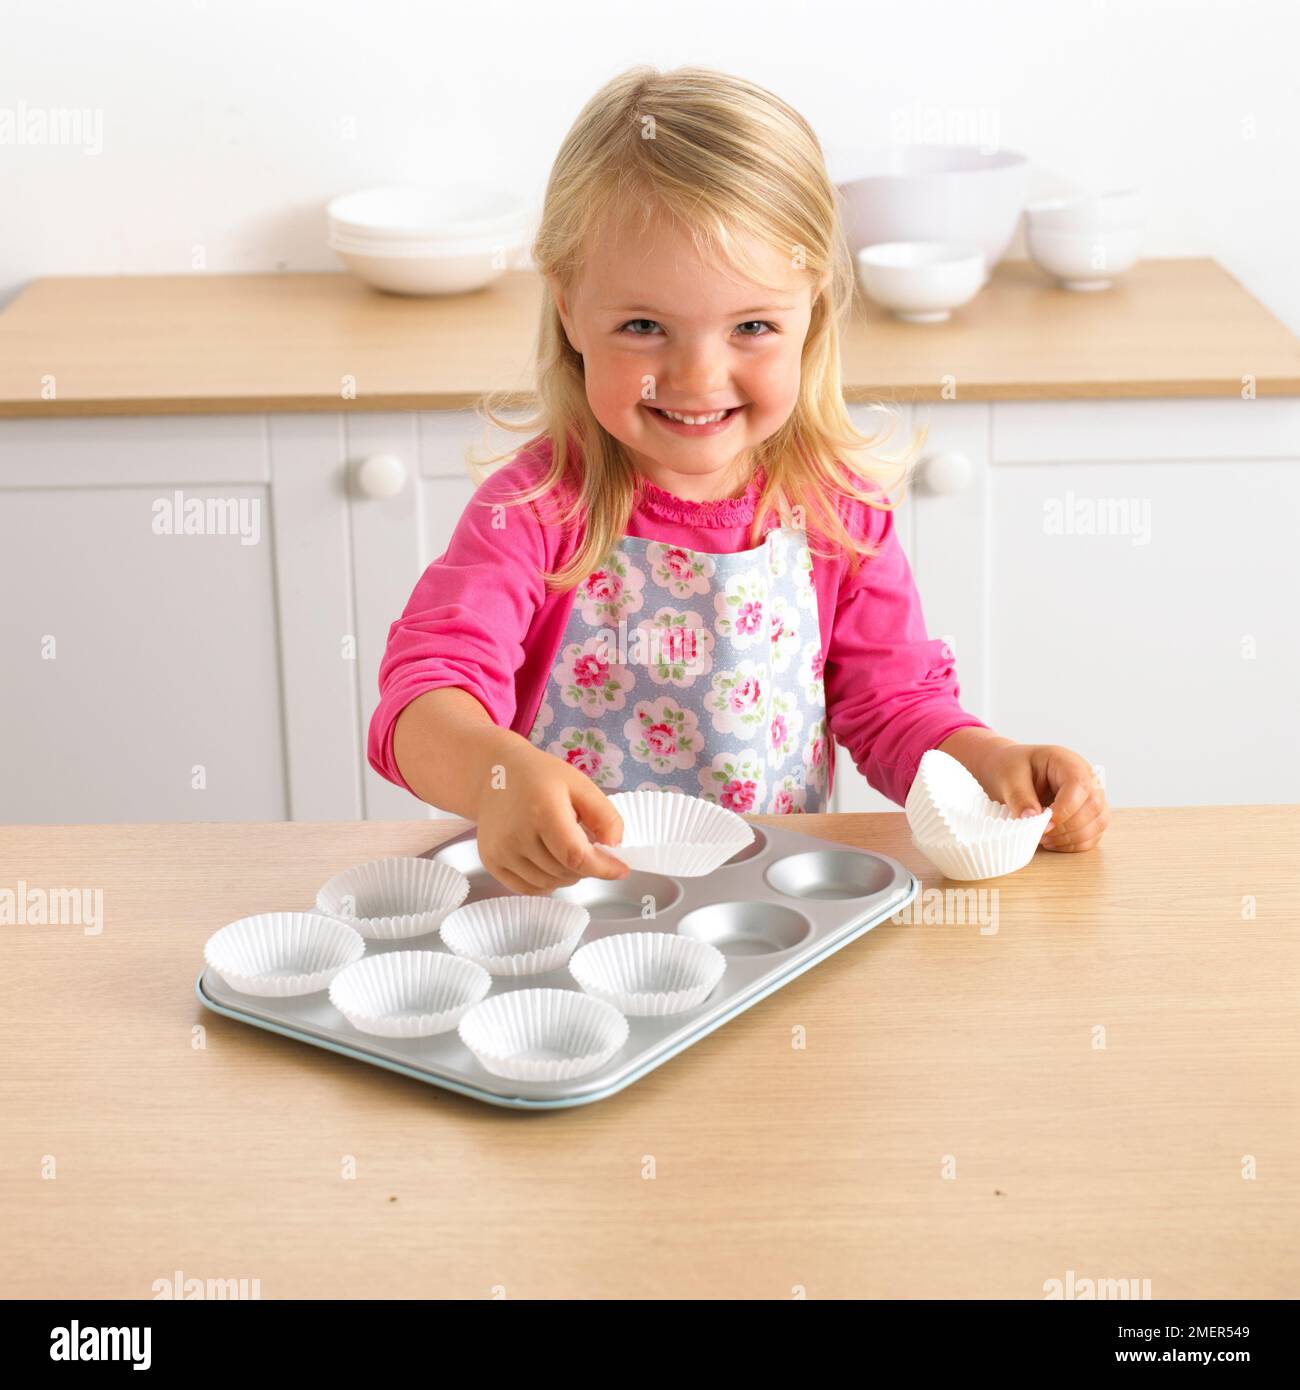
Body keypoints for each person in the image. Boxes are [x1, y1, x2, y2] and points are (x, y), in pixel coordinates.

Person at [367, 65, 1109, 895]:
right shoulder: (535, 512)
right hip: (569, 914)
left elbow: (894, 709)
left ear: (812, 313)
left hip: (771, 918)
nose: (696, 376)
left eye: (752, 325)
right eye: (643, 326)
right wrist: (496, 773)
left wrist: (995, 764)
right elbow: (421, 702)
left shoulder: (837, 511)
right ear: (569, 306)